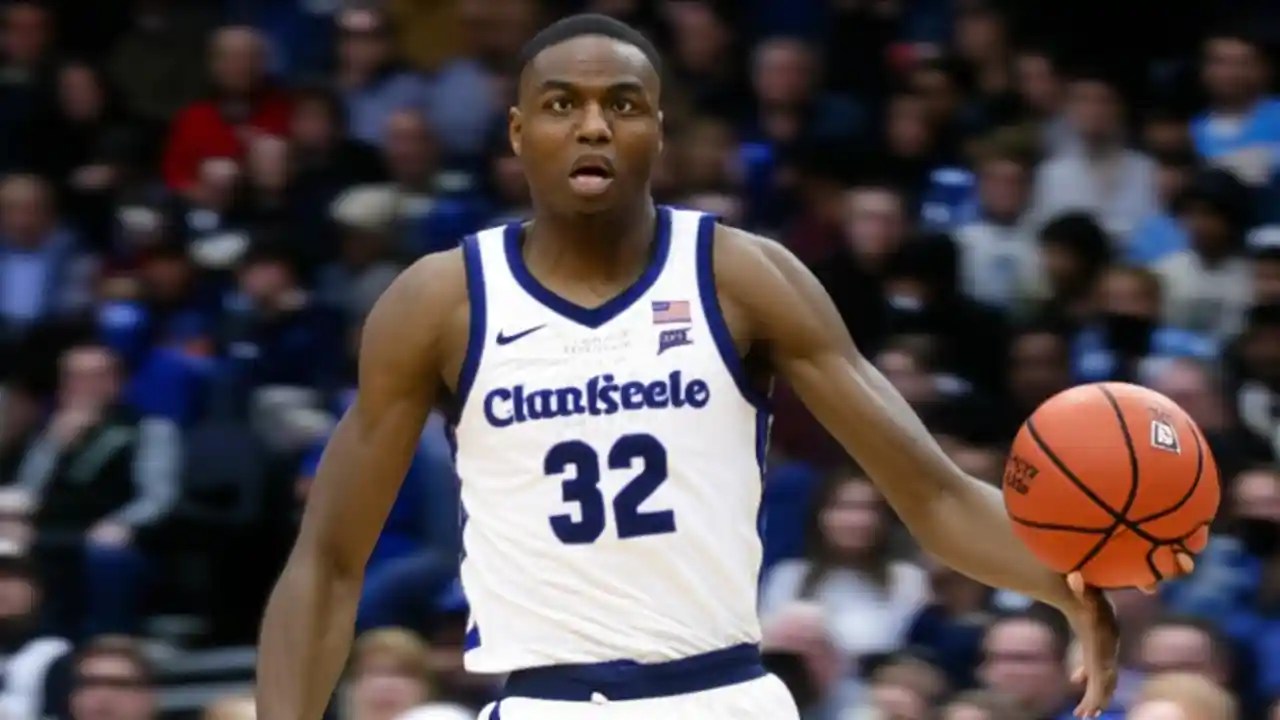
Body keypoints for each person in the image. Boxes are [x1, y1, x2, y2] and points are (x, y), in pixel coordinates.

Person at [256, 14, 1191, 720]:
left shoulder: (744, 275)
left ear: (659, 130)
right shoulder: (439, 302)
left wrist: (1070, 584)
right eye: (561, 105)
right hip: (545, 700)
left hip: (724, 694)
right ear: (516, 132)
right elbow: (330, 561)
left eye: (621, 105)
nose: (592, 127)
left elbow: (936, 497)